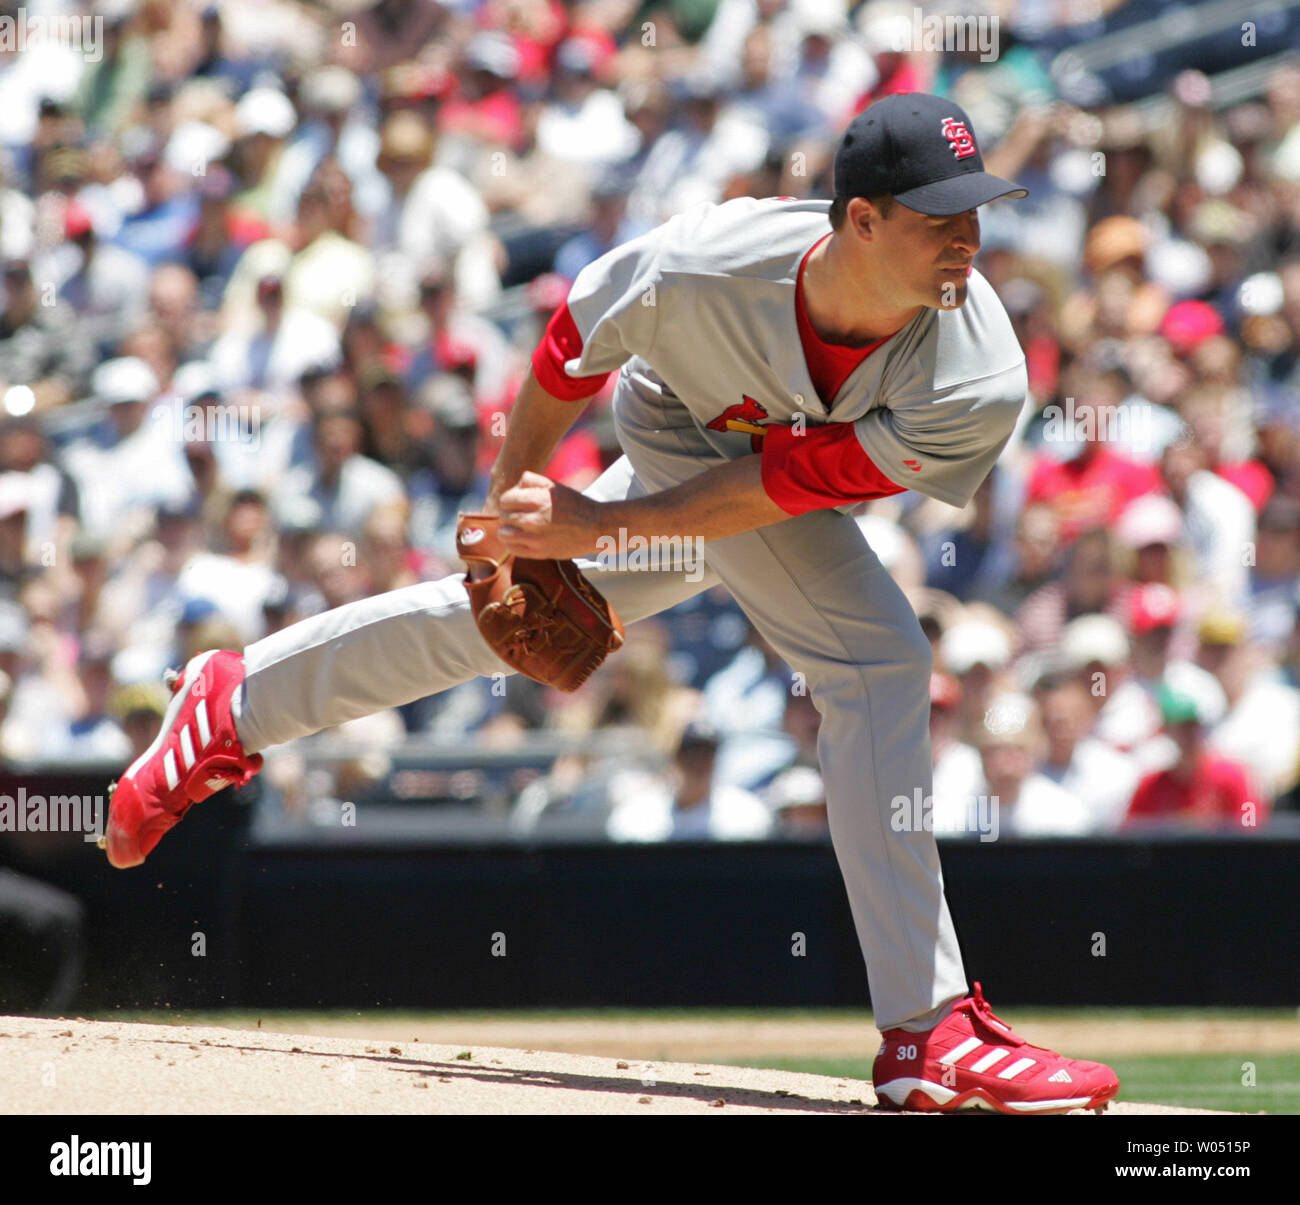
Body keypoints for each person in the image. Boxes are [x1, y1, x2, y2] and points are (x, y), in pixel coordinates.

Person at [101, 95, 1119, 1115]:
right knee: (872, 659)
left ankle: (230, 704)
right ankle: (927, 1030)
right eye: (939, 218)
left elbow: (773, 490)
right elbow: (566, 348)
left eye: (976, 213)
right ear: (858, 219)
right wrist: (513, 523)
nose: (968, 240)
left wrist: (590, 530)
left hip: (756, 470)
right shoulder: (707, 261)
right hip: (677, 415)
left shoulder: (977, 372)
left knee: (812, 650)